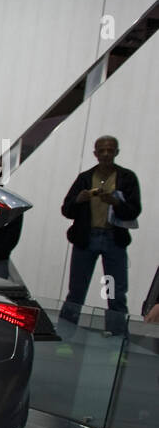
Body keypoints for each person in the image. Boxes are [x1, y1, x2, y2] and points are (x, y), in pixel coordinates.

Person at [58, 135, 142, 336]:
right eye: (102, 150)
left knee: (115, 293)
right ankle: (65, 334)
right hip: (85, 239)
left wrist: (115, 203)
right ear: (95, 153)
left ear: (116, 152)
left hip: (114, 239)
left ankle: (117, 338)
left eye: (110, 150)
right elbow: (66, 210)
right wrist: (79, 200)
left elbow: (134, 211)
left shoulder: (127, 178)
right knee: (77, 290)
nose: (106, 154)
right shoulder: (85, 178)